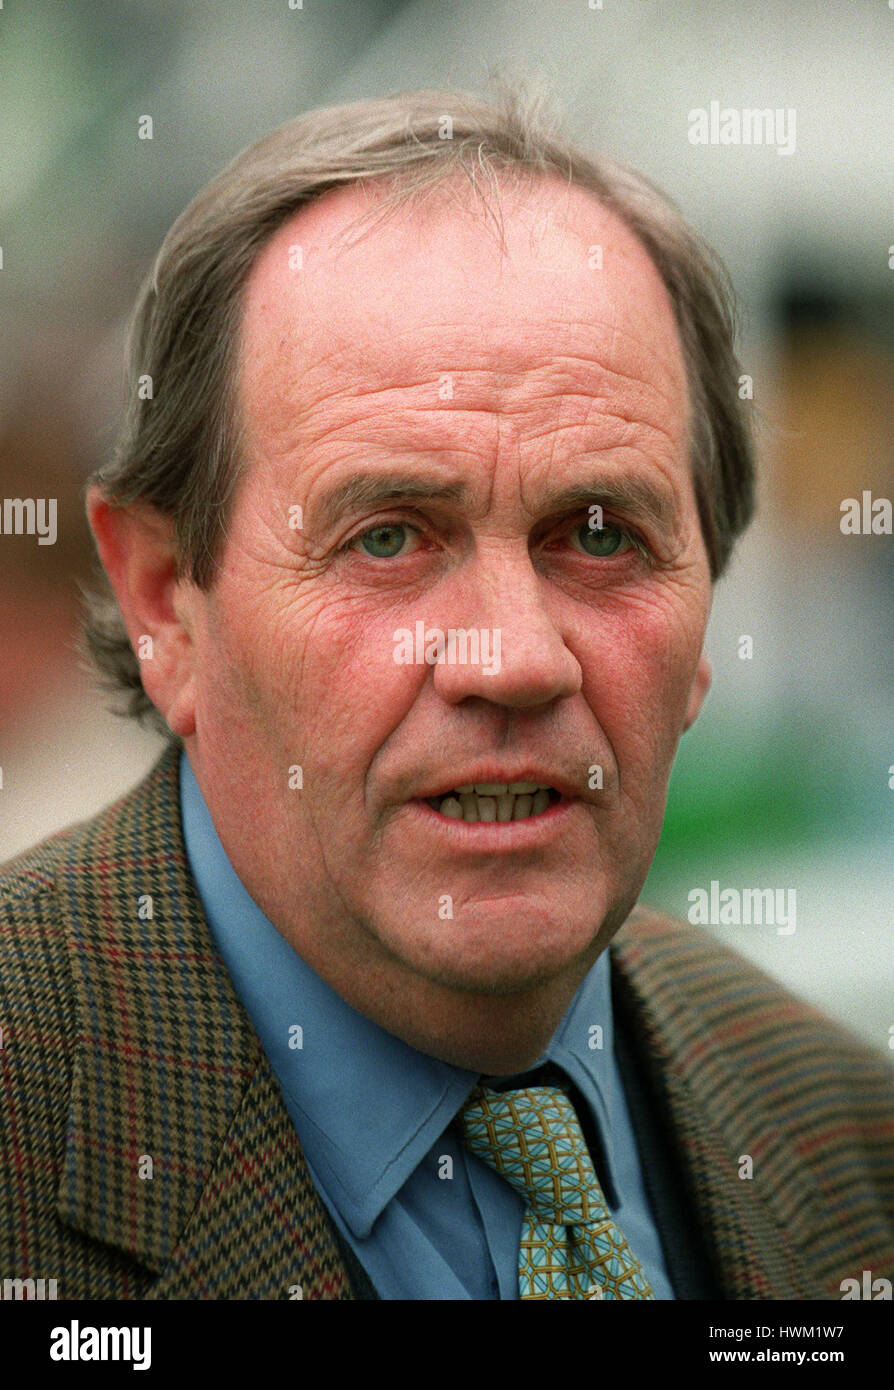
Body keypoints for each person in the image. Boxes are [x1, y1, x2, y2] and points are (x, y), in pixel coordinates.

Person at [1, 85, 891, 1302]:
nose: (514, 660)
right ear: (166, 598)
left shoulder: (850, 1136)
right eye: (387, 539)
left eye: (598, 533)